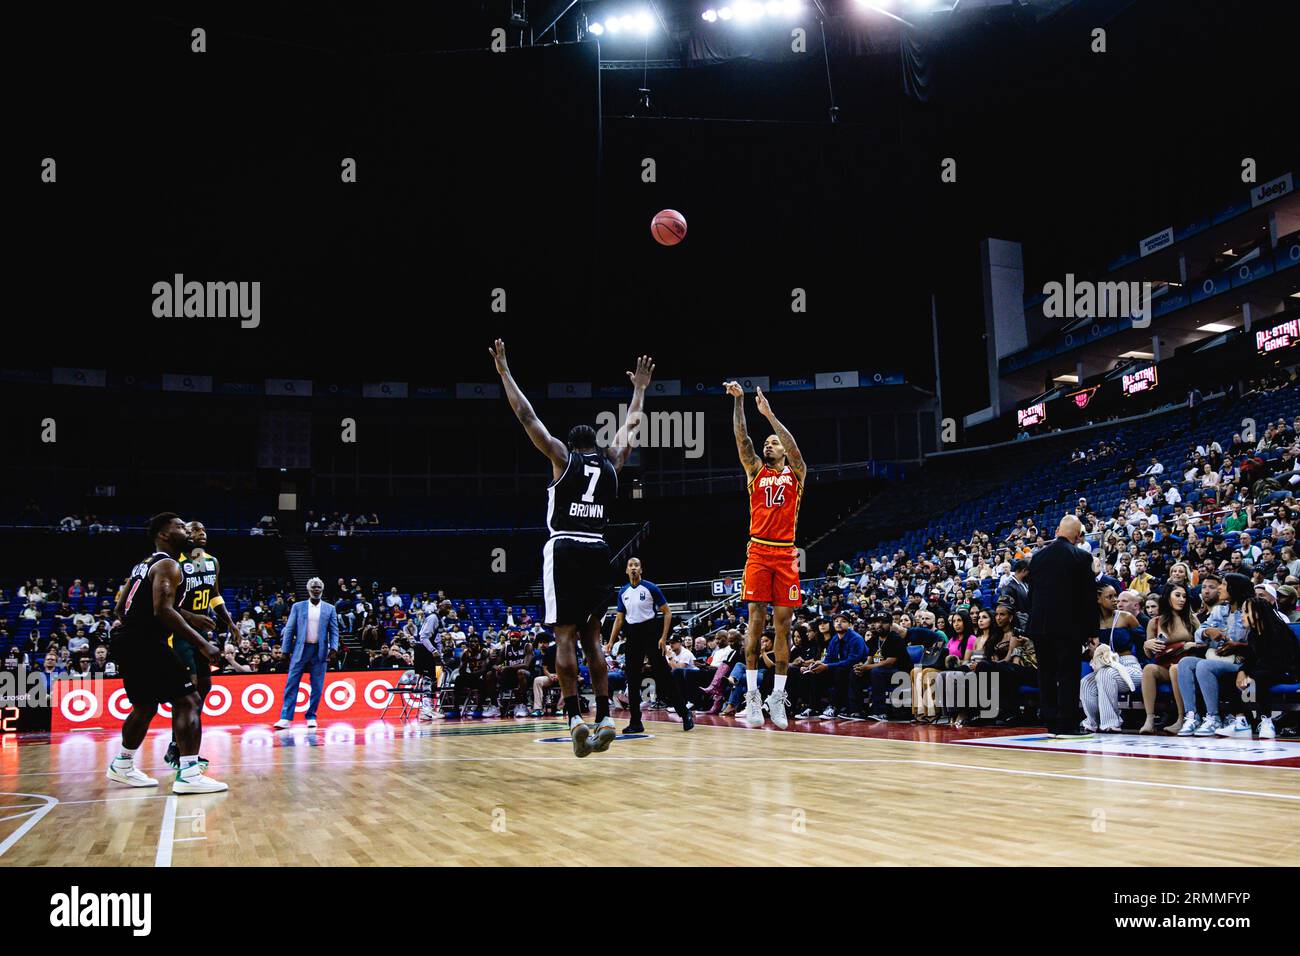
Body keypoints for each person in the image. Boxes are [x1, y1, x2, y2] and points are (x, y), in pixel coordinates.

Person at [492, 338, 651, 757]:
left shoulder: (563, 459)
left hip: (564, 547)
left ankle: (572, 717)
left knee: (564, 637)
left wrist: (505, 372)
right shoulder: (611, 462)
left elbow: (528, 417)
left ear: (569, 445)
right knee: (593, 639)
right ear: (594, 445)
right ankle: (604, 717)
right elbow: (631, 426)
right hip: (599, 549)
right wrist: (639, 390)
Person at [107, 513, 225, 794]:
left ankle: (122, 765)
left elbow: (120, 609)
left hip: (127, 639)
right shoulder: (169, 564)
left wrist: (186, 618)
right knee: (189, 700)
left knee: (146, 705)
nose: (188, 531)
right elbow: (163, 610)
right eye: (180, 527)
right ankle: (189, 774)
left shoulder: (143, 564)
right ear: (163, 534)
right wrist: (202, 643)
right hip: (144, 641)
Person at [726, 380, 807, 730]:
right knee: (755, 624)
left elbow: (794, 448)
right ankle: (752, 695)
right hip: (758, 551)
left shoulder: (797, 473)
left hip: (786, 554)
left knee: (784, 629)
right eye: (767, 443)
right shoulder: (755, 472)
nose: (768, 445)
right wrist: (740, 403)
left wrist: (771, 417)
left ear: (784, 451)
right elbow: (743, 441)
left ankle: (777, 697)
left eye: (773, 443)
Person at [163, 520, 238, 771]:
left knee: (204, 687)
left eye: (204, 530)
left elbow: (215, 595)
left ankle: (184, 744)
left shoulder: (212, 561)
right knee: (189, 693)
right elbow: (167, 606)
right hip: (181, 633)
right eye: (195, 530)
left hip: (202, 636)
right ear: (186, 535)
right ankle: (178, 749)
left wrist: (230, 623)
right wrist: (192, 617)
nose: (201, 534)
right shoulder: (176, 564)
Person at [1027, 515, 1097, 735]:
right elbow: (1088, 597)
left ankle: (1050, 720)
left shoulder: (1037, 557)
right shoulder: (1081, 557)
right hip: (1068, 627)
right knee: (1067, 673)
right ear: (1077, 536)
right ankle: (1067, 723)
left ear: (1057, 530)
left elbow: (1032, 596)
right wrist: (1092, 631)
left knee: (1045, 674)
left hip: (1039, 626)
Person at [606, 557, 691, 734]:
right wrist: (611, 641)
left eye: (636, 565)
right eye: (631, 565)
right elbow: (619, 619)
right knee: (633, 679)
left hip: (651, 633)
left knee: (664, 676)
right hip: (632, 635)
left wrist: (663, 637)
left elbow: (667, 613)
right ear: (626, 571)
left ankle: (685, 714)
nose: (634, 568)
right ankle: (636, 722)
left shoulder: (651, 588)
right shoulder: (623, 591)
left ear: (641, 569)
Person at [1176, 573, 1252, 738]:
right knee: (1185, 662)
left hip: (1241, 662)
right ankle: (1192, 716)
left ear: (1235, 588)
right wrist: (1207, 632)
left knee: (1204, 665)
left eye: (1223, 585)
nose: (1219, 588)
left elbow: (1259, 642)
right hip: (1218, 659)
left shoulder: (1250, 609)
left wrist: (1238, 646)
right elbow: (1199, 633)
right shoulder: (1219, 610)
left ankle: (1213, 717)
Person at [273, 578, 340, 729]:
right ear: (308, 589)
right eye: (313, 587)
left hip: (320, 651)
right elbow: (289, 629)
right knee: (292, 683)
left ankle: (311, 716)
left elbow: (334, 631)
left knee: (317, 686)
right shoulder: (298, 607)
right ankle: (285, 718)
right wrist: (285, 650)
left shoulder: (330, 609)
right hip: (300, 650)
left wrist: (334, 648)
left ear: (322, 590)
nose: (316, 589)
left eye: (319, 587)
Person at [1081, 583, 1144, 733]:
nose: (1115, 600)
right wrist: (1091, 652)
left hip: (1129, 667)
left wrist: (1146, 668)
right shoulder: (1091, 623)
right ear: (1097, 599)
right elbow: (1085, 654)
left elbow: (1142, 645)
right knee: (1086, 683)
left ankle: (1111, 722)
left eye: (1116, 595)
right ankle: (1092, 722)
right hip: (1103, 667)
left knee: (1105, 675)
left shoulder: (1126, 617)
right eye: (1110, 597)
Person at [1234, 597, 1300, 739]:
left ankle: (1266, 720)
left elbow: (1280, 663)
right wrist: (1242, 671)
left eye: (1245, 612)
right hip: (1265, 671)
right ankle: (1242, 720)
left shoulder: (1279, 631)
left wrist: (1251, 675)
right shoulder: (1253, 634)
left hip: (1289, 673)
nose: (1242, 615)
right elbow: (1251, 659)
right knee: (1230, 675)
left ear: (1257, 614)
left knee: (1260, 677)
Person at [1139, 584, 1200, 734]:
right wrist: (1147, 645)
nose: (1182, 600)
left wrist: (1192, 644)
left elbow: (1204, 643)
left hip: (1186, 665)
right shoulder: (1155, 622)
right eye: (1177, 595)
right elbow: (1149, 655)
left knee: (1175, 668)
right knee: (1148, 669)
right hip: (1164, 664)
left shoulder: (1191, 619)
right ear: (1167, 597)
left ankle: (1182, 718)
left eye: (1184, 596)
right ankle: (1150, 719)